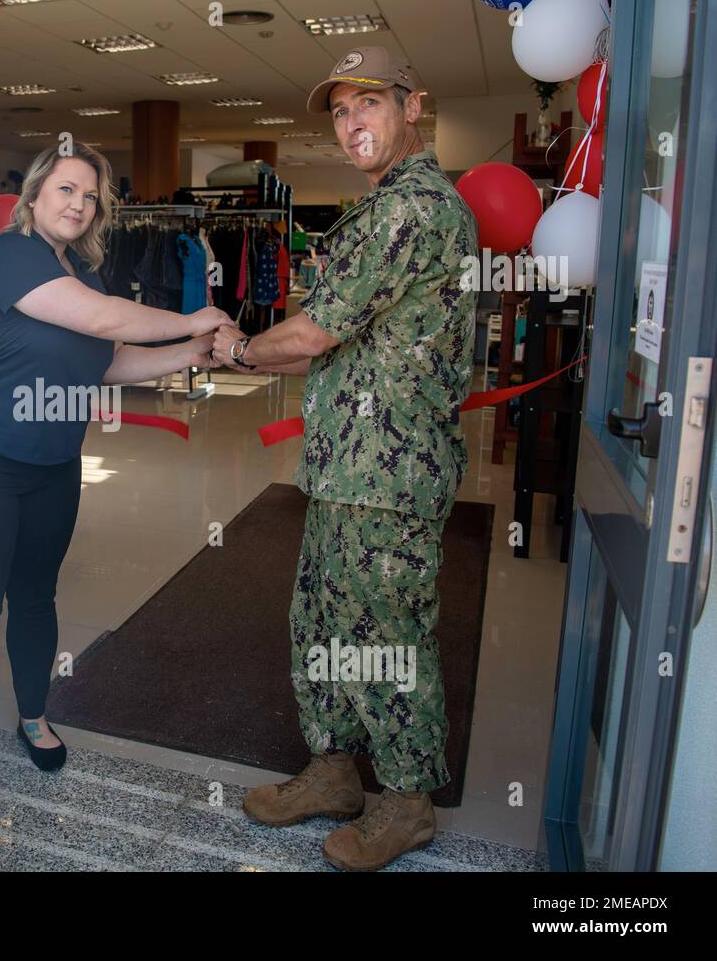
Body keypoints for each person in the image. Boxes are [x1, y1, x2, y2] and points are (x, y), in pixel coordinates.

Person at [211, 46, 479, 871]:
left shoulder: (413, 211)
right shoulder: (387, 207)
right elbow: (333, 335)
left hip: (387, 477)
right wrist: (260, 349)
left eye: (369, 104)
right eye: (339, 110)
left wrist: (240, 349)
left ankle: (405, 803)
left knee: (388, 635)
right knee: (324, 624)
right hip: (350, 469)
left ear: (412, 106)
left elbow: (315, 332)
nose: (353, 122)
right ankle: (333, 772)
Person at [0, 143, 231, 772]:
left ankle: (32, 714)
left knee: (36, 596)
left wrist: (189, 355)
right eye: (66, 189)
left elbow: (106, 360)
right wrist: (194, 318)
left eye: (91, 196)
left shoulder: (82, 273)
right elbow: (103, 320)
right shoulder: (7, 256)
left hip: (54, 463)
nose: (79, 203)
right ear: (36, 195)